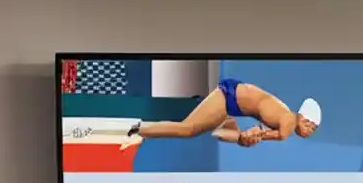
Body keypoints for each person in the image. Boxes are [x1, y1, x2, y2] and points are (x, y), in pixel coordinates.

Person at [132, 79, 320, 147]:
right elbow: (277, 135)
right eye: (309, 125)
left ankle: (142, 130)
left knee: (230, 135)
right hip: (229, 97)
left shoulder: (283, 114)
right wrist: (252, 136)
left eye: (313, 130)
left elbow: (258, 133)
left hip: (233, 105)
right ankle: (141, 129)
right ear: (301, 116)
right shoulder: (288, 121)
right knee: (187, 129)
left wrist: (249, 136)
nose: (310, 131)